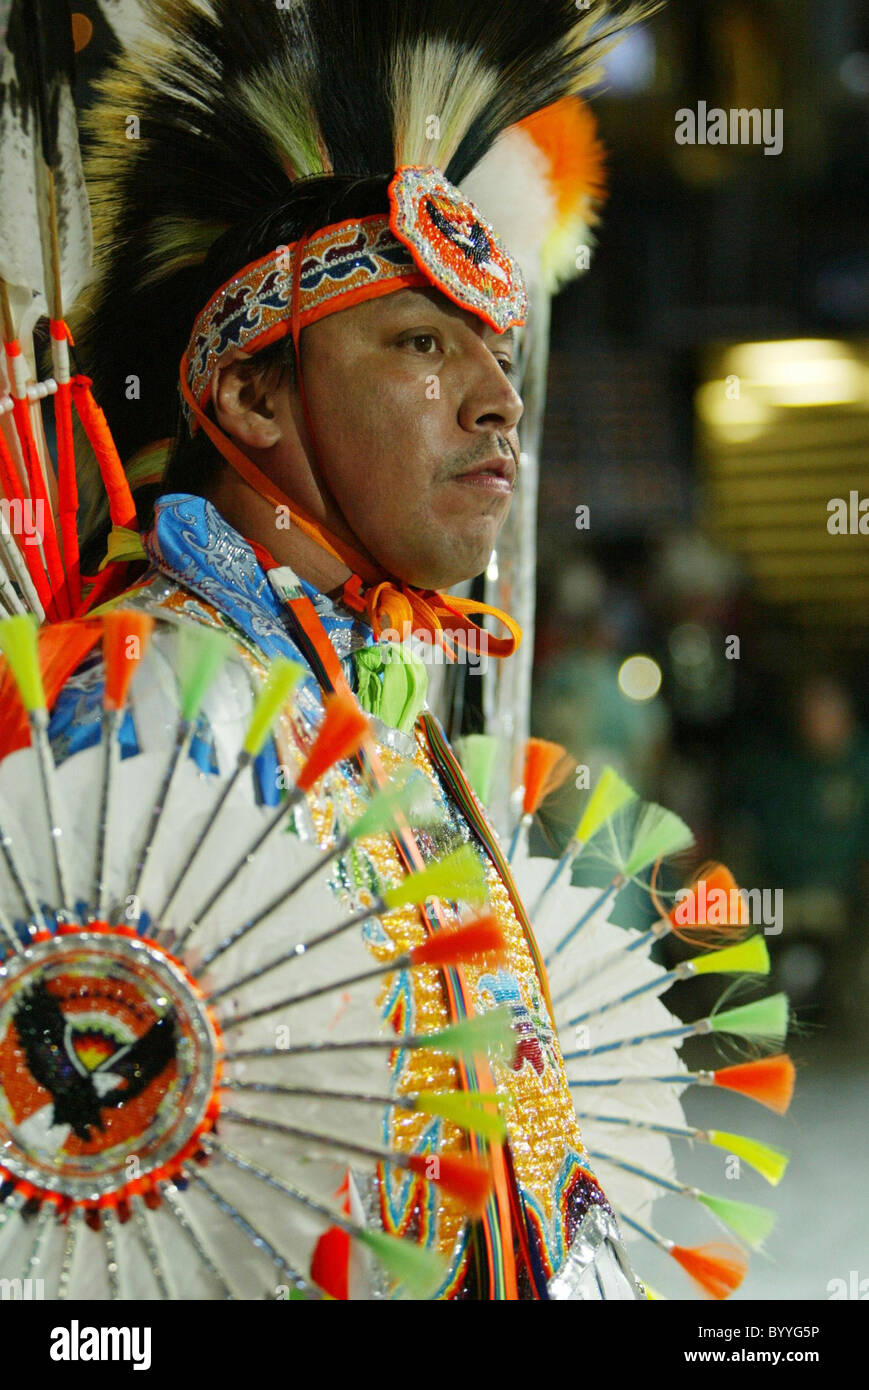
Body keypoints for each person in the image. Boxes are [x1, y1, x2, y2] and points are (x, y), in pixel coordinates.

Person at [18, 0, 665, 1300]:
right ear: (253, 392)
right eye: (422, 343)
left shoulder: (365, 714)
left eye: (497, 348)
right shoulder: (137, 716)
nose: (499, 398)